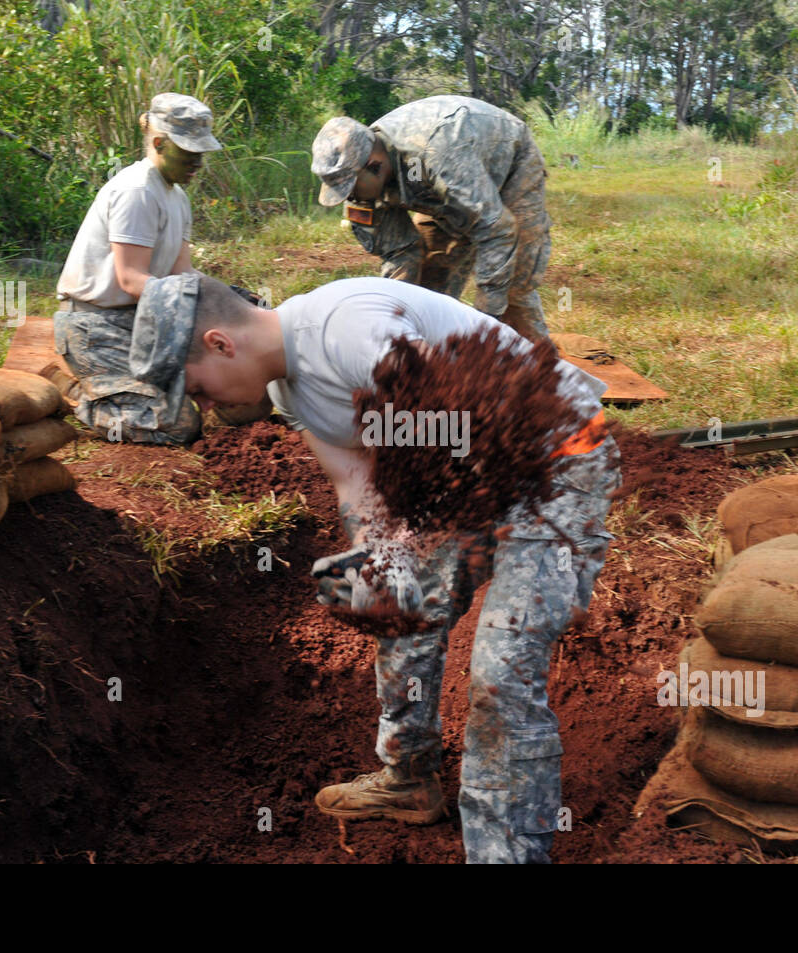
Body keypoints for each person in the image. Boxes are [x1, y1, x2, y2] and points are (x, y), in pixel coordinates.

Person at [179, 273, 621, 863]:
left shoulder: (349, 330)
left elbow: (458, 418)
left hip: (557, 462)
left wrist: (417, 526)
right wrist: (378, 560)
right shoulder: (289, 392)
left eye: (197, 390)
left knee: (501, 664)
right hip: (473, 479)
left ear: (219, 343)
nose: (206, 408)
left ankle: (505, 852)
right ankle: (408, 775)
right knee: (397, 603)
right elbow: (355, 480)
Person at [310, 96, 555, 346]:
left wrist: (485, 324)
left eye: (350, 187)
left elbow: (496, 230)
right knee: (429, 295)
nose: (348, 197)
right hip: (439, 187)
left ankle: (543, 370)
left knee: (513, 283)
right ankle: (436, 366)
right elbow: (400, 254)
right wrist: (390, 323)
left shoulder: (434, 155)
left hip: (510, 162)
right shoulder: (365, 184)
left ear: (375, 165)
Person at [53, 92, 222, 444]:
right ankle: (77, 395)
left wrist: (229, 299)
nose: (198, 162)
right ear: (159, 143)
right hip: (95, 327)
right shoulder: (137, 191)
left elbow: (182, 273)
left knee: (218, 391)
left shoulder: (176, 196)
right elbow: (131, 280)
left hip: (140, 321)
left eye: (201, 153)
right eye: (189, 152)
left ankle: (112, 388)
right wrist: (199, 299)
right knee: (176, 424)